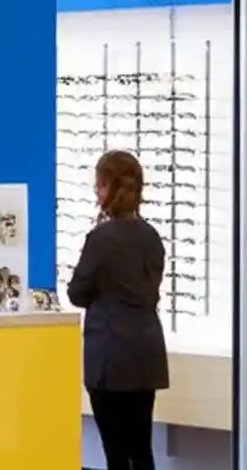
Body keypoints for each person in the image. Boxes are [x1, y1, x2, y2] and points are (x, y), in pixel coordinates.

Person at [67, 149, 169, 470]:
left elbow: (77, 292)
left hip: (110, 360)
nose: (96, 193)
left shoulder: (101, 238)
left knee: (115, 452)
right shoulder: (152, 237)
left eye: (98, 186)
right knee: (141, 450)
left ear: (109, 187)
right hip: (146, 356)